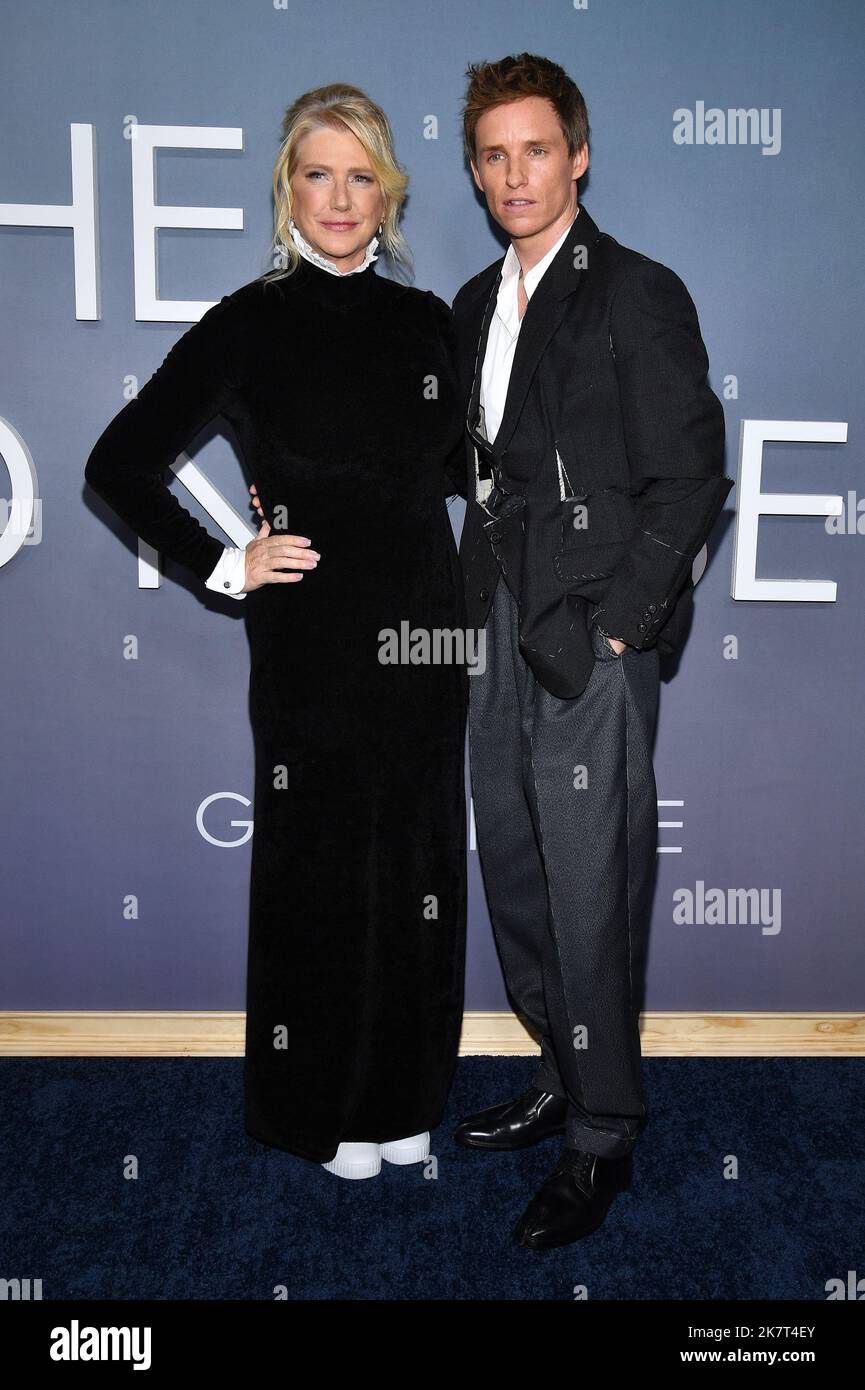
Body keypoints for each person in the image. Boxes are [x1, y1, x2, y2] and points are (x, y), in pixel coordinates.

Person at [85, 83, 469, 1181]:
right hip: (312, 645)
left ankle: (405, 1096)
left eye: (360, 176)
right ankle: (322, 1107)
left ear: (388, 192)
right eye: (317, 173)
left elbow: (450, 472)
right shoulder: (247, 324)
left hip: (429, 636)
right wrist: (225, 560)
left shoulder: (426, 321)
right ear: (287, 189)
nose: (339, 197)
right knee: (322, 880)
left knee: (421, 870)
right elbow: (119, 462)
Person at [448, 53, 734, 1247]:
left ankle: (602, 1136)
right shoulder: (468, 306)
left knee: (589, 885)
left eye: (535, 149)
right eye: (492, 154)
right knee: (515, 867)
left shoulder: (636, 291)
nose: (515, 174)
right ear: (475, 169)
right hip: (495, 627)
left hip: (593, 638)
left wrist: (623, 621)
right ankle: (564, 1064)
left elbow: (690, 475)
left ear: (576, 155)